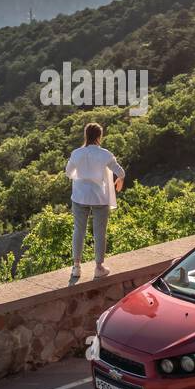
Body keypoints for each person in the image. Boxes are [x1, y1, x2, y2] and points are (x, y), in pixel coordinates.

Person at [65, 122, 125, 284]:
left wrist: (83, 174)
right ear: (99, 136)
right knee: (99, 233)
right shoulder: (105, 154)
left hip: (80, 197)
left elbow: (68, 173)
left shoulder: (76, 154)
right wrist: (119, 180)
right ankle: (99, 268)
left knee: (79, 230)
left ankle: (76, 267)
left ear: (86, 135)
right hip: (100, 197)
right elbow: (121, 172)